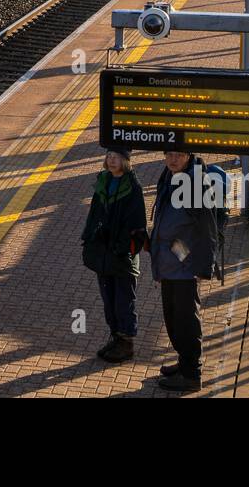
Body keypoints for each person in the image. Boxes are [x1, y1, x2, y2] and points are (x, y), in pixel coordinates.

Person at [149, 150, 221, 391]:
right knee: (173, 318)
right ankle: (184, 362)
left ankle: (191, 374)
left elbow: (208, 228)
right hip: (170, 263)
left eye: (178, 155)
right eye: (169, 154)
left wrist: (203, 266)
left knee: (186, 320)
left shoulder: (196, 184)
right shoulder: (169, 177)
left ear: (189, 156)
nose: (173, 160)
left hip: (184, 265)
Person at [81, 145, 148, 364]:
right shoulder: (103, 181)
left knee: (123, 301)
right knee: (109, 301)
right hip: (103, 254)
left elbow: (138, 225)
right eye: (109, 156)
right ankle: (115, 338)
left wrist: (124, 249)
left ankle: (126, 343)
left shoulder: (133, 187)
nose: (111, 160)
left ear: (126, 161)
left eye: (116, 157)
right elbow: (94, 214)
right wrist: (90, 237)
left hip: (122, 257)